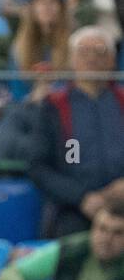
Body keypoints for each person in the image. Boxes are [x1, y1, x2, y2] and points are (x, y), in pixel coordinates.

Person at [29, 25, 124, 236]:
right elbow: (39, 167)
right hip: (74, 208)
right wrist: (81, 197)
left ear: (112, 61)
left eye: (100, 52)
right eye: (83, 51)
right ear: (72, 60)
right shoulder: (53, 106)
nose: (91, 58)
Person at [2, 193, 124, 280]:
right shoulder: (70, 250)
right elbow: (7, 275)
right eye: (101, 229)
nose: (106, 239)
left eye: (118, 233)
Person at [7, 0, 70, 102]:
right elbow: (16, 91)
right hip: (30, 106)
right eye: (40, 1)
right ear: (32, 7)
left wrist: (52, 93)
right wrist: (33, 96)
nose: (47, 6)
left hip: (64, 106)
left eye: (53, 0)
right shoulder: (18, 47)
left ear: (62, 7)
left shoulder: (72, 43)